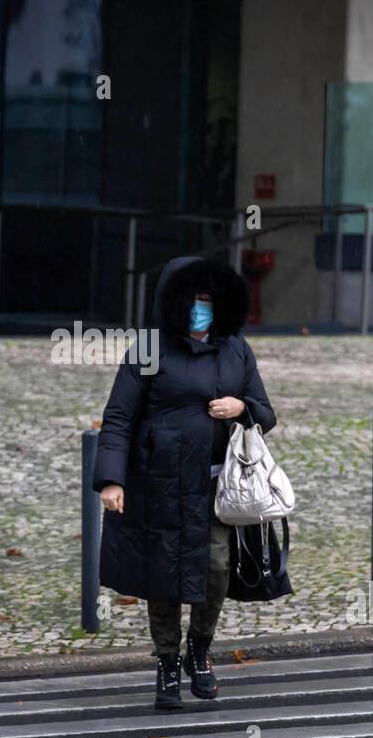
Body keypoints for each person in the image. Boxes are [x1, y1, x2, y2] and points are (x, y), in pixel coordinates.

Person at [92, 256, 276, 710]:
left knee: (215, 571)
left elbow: (266, 413)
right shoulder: (149, 348)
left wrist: (241, 407)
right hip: (158, 483)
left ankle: (200, 647)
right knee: (163, 580)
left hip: (217, 488)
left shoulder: (236, 348)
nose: (201, 311)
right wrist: (111, 481)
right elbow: (118, 417)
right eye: (195, 302)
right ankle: (167, 663)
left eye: (209, 303)